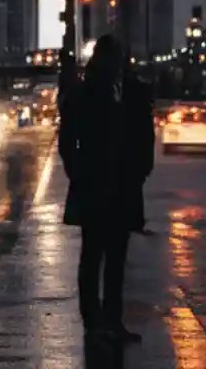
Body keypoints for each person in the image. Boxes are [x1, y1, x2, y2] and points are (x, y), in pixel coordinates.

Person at [59, 35, 155, 344]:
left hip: (124, 185)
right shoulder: (84, 93)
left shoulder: (135, 92)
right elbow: (67, 140)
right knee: (93, 256)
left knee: (116, 259)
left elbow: (145, 136)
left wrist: (141, 170)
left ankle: (113, 320)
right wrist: (78, 172)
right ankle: (94, 322)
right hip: (94, 184)